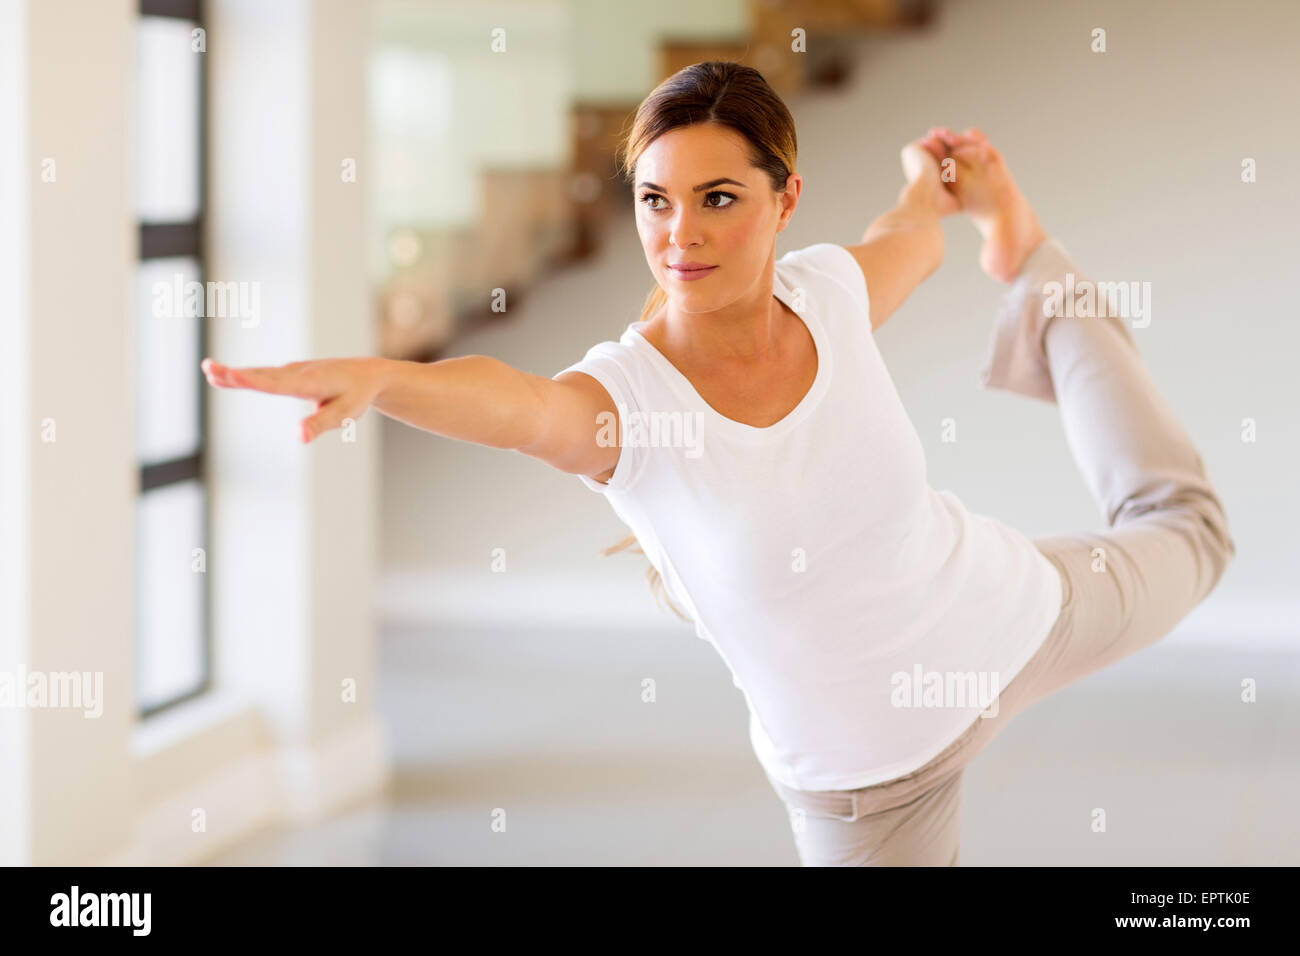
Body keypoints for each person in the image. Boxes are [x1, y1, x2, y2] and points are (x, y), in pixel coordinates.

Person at [201, 62, 1235, 867]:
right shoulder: (630, 402)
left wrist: (943, 189)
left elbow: (906, 236)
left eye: (717, 198)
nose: (678, 233)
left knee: (1189, 529)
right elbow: (518, 406)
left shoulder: (826, 293)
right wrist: (387, 376)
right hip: (871, 786)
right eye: (654, 200)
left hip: (1004, 614)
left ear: (785, 200)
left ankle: (1033, 268)